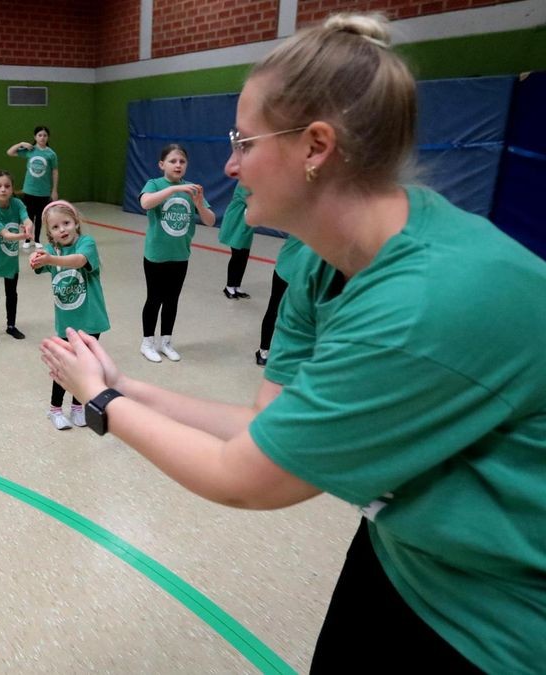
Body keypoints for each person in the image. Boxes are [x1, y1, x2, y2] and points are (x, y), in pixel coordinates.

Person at [41, 13, 546, 672]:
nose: (227, 163)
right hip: (410, 552)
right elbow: (264, 423)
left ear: (315, 146)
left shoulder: (422, 304)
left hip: (495, 618)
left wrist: (103, 400)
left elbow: (247, 479)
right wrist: (132, 386)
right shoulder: (313, 260)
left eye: (244, 141)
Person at [29, 201, 108, 431]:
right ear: (50, 233)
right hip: (67, 323)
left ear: (76, 224)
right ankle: (54, 409)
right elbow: (38, 265)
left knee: (85, 368)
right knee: (64, 366)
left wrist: (50, 260)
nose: (62, 229)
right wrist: (35, 258)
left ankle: (77, 407)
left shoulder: (86, 243)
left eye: (66, 223)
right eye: (55, 227)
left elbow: (80, 261)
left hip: (91, 319)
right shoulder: (51, 250)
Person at [137, 143, 215, 363]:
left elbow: (210, 221)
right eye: (172, 161)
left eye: (182, 161)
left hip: (180, 255)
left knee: (172, 300)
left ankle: (165, 342)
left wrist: (199, 204)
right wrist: (173, 189)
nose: (178, 165)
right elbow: (145, 203)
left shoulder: (191, 189)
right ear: (162, 164)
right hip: (156, 255)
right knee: (154, 298)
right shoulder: (154, 184)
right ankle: (147, 342)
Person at [0, 170, 33, 343]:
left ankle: (11, 326)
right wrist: (24, 236)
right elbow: (6, 235)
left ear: (12, 189)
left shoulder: (17, 204)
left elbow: (26, 219)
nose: (3, 189)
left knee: (12, 293)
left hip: (10, 259)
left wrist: (28, 226)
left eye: (7, 186)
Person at [256, 234, 304, 366]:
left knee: (298, 315)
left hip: (303, 274)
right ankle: (263, 350)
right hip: (286, 270)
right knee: (274, 309)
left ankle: (290, 351)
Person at [7, 126, 58, 249]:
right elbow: (10, 152)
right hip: (29, 190)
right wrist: (21, 144)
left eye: (45, 135)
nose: (42, 137)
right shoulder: (30, 150)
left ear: (48, 137)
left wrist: (54, 190)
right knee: (28, 216)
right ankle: (27, 238)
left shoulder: (51, 154)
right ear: (35, 137)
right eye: (40, 135)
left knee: (40, 216)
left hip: (44, 191)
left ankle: (37, 239)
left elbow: (55, 171)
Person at [218, 182, 253, 299]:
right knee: (237, 255)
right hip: (237, 222)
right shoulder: (245, 182)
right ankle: (229, 286)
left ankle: (237, 285)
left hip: (247, 224)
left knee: (244, 255)